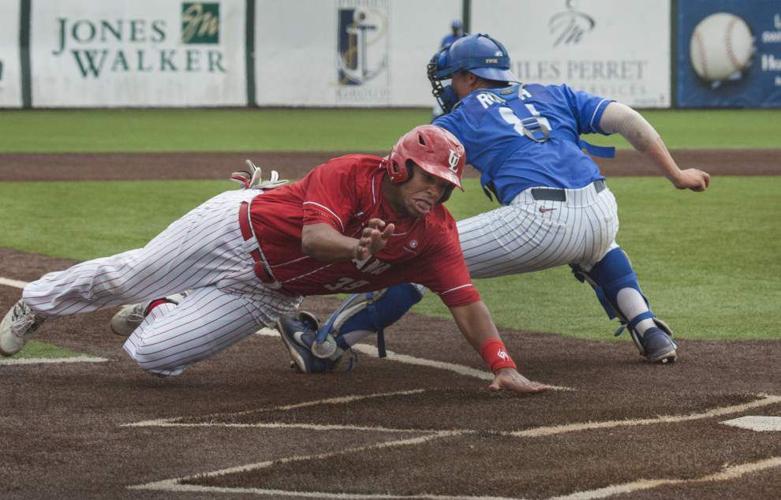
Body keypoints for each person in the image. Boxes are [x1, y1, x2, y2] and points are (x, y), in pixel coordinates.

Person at [0, 125, 549, 394]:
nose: (437, 191)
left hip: (270, 291)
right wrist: (358, 249)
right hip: (231, 232)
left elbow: (465, 301)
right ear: (399, 167)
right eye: (428, 178)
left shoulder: (434, 235)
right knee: (127, 276)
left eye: (446, 185)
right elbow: (315, 240)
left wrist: (502, 364)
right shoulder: (350, 173)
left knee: (154, 357)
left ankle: (165, 306)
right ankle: (36, 304)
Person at [294, 33, 711, 373]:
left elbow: (406, 170)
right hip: (602, 206)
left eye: (452, 78)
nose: (448, 87)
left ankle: (326, 345)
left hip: (540, 219)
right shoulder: (552, 93)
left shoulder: (462, 115)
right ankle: (649, 329)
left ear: (469, 78)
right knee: (599, 247)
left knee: (421, 259)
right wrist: (676, 173)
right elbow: (626, 119)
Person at [433, 20, 466, 119]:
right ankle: (437, 115)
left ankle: (457, 115)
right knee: (442, 93)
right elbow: (441, 53)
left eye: (456, 28)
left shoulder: (463, 39)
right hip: (446, 72)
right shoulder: (446, 39)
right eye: (454, 28)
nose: (455, 30)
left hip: (457, 72)